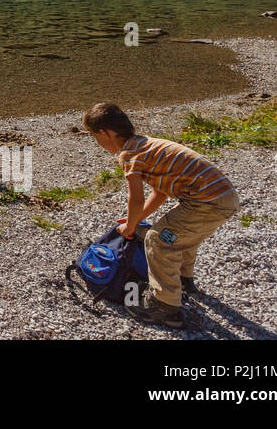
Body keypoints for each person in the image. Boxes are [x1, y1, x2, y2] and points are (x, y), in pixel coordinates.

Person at [83, 102, 240, 329]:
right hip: (221, 196)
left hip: (206, 201)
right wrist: (132, 221)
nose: (97, 143)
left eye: (94, 136)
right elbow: (160, 193)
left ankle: (164, 306)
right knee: (180, 234)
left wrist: (129, 228)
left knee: (158, 239)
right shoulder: (145, 144)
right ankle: (183, 281)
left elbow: (135, 199)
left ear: (105, 133)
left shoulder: (128, 154)